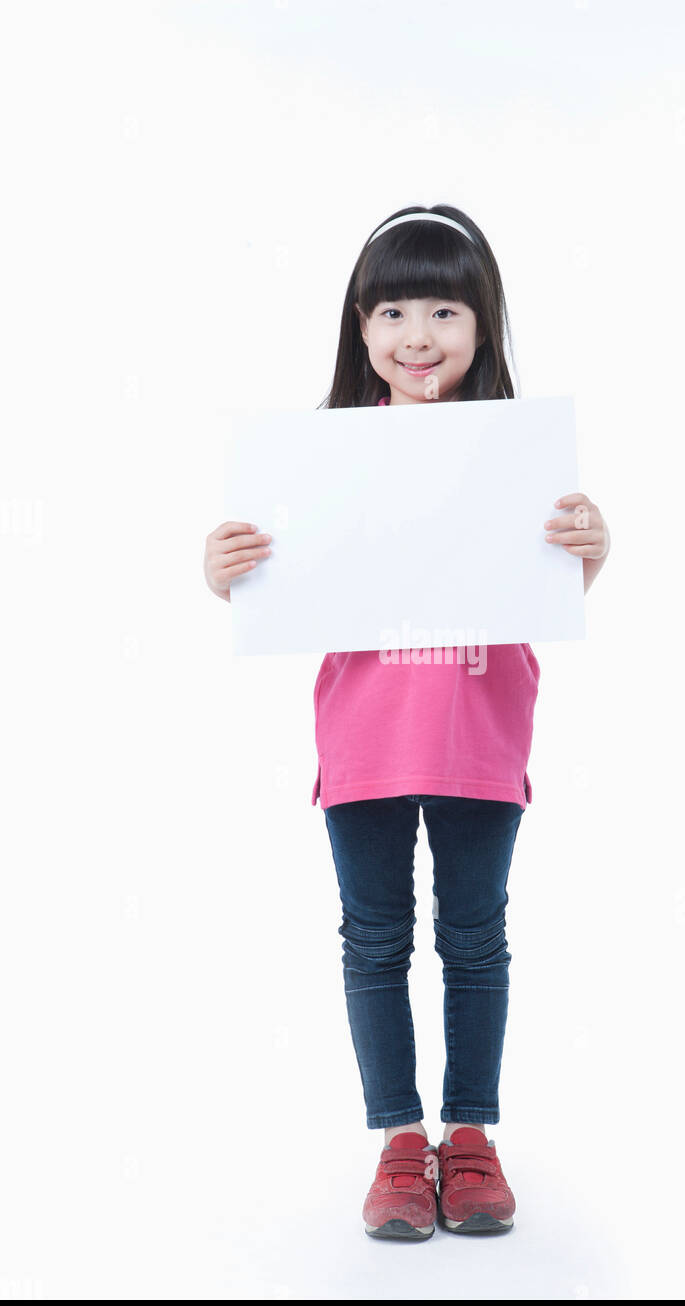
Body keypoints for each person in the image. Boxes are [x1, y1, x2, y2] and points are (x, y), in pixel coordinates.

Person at [203, 205, 610, 1240]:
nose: (416, 331)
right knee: (374, 942)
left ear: (482, 325)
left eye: (443, 307)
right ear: (359, 325)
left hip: (480, 739)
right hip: (363, 747)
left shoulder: (515, 456)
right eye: (391, 308)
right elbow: (274, 589)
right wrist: (226, 573)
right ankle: (398, 1141)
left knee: (474, 941)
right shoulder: (320, 460)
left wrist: (587, 548)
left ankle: (468, 1138)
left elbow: (557, 579)